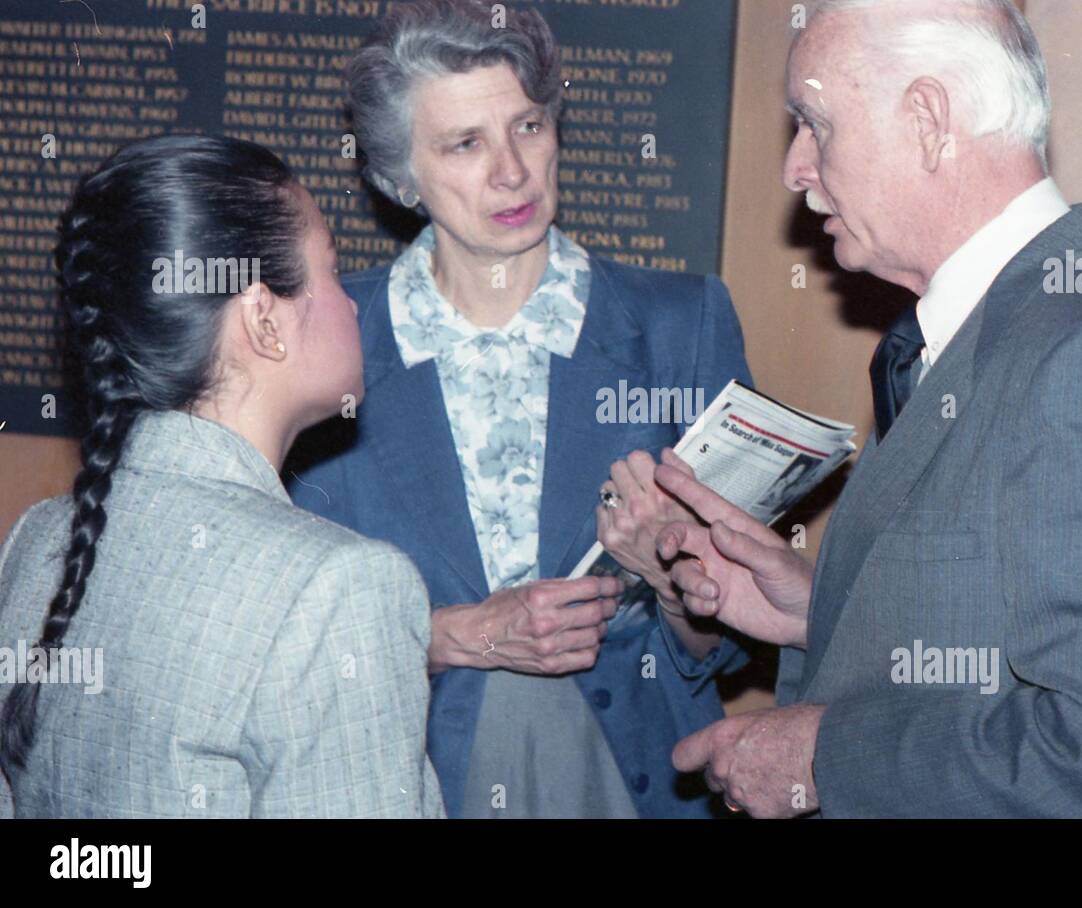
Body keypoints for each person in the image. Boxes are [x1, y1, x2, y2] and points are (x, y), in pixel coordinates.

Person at [643, 0, 1082, 818]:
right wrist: (825, 611)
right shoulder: (990, 321)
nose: (795, 167)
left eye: (814, 124)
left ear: (927, 119)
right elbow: (1000, 628)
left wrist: (820, 756)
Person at [286, 0, 752, 818]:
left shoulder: (682, 323)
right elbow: (280, 644)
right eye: (466, 144)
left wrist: (673, 580)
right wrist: (452, 634)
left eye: (528, 128)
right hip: (408, 782)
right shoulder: (331, 343)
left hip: (638, 780)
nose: (511, 171)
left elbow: (728, 646)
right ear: (400, 177)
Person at [0, 135, 444, 818]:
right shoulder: (340, 589)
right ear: (265, 320)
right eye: (332, 269)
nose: (352, 303)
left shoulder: (36, 542)